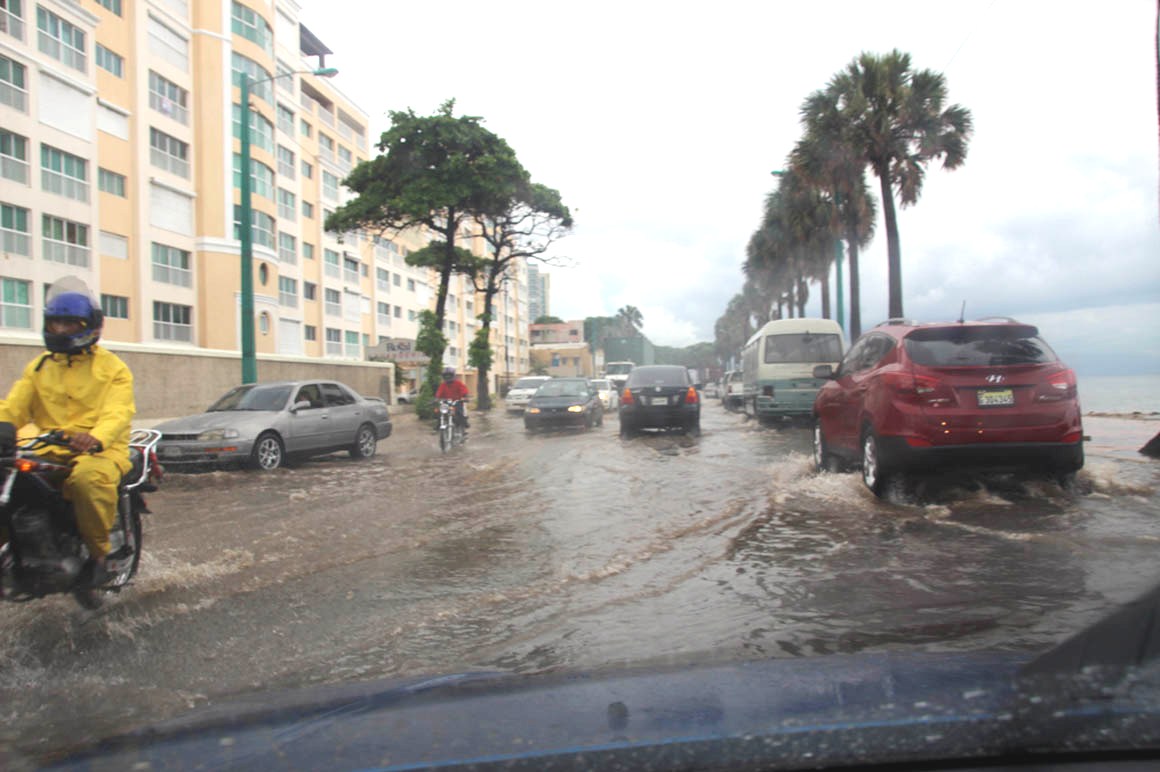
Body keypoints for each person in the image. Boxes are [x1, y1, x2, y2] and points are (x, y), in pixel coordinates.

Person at [0, 277, 135, 585]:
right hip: (51, 447)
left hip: (100, 450)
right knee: (9, 477)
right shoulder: (40, 367)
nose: (61, 331)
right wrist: (3, 425)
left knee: (88, 480)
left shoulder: (113, 368)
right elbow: (14, 405)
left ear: (90, 326)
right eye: (56, 324)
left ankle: (99, 557)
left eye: (71, 325)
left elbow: (118, 411)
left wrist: (96, 437)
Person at [434, 366, 469, 430]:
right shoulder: (443, 385)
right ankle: (439, 424)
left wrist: (465, 397)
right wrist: (436, 398)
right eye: (446, 375)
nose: (447, 377)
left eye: (449, 375)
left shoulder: (458, 383)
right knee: (440, 412)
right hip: (446, 402)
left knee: (460, 412)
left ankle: (464, 423)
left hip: (457, 402)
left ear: (453, 375)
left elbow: (463, 390)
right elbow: (439, 392)